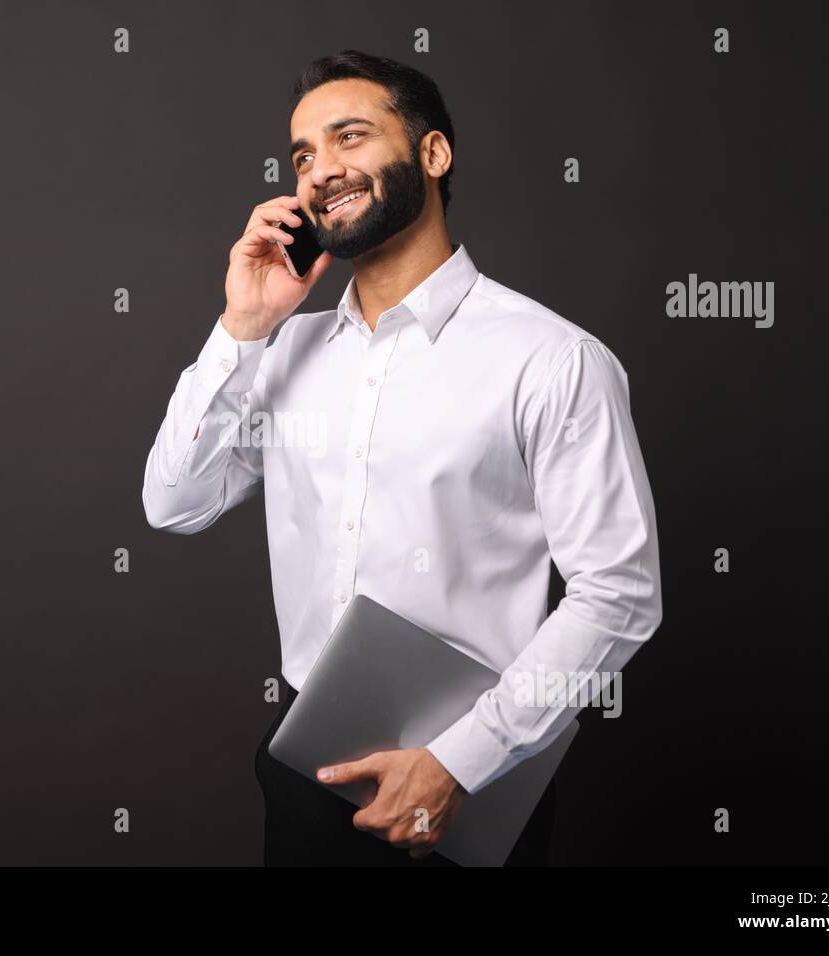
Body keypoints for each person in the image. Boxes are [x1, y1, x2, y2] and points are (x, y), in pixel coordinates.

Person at [142, 50, 662, 866]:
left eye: (350, 137)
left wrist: (460, 760)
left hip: (475, 785)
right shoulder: (282, 352)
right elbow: (174, 503)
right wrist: (242, 327)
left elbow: (620, 595)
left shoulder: (551, 359)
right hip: (303, 772)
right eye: (304, 154)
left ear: (433, 153)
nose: (321, 171)